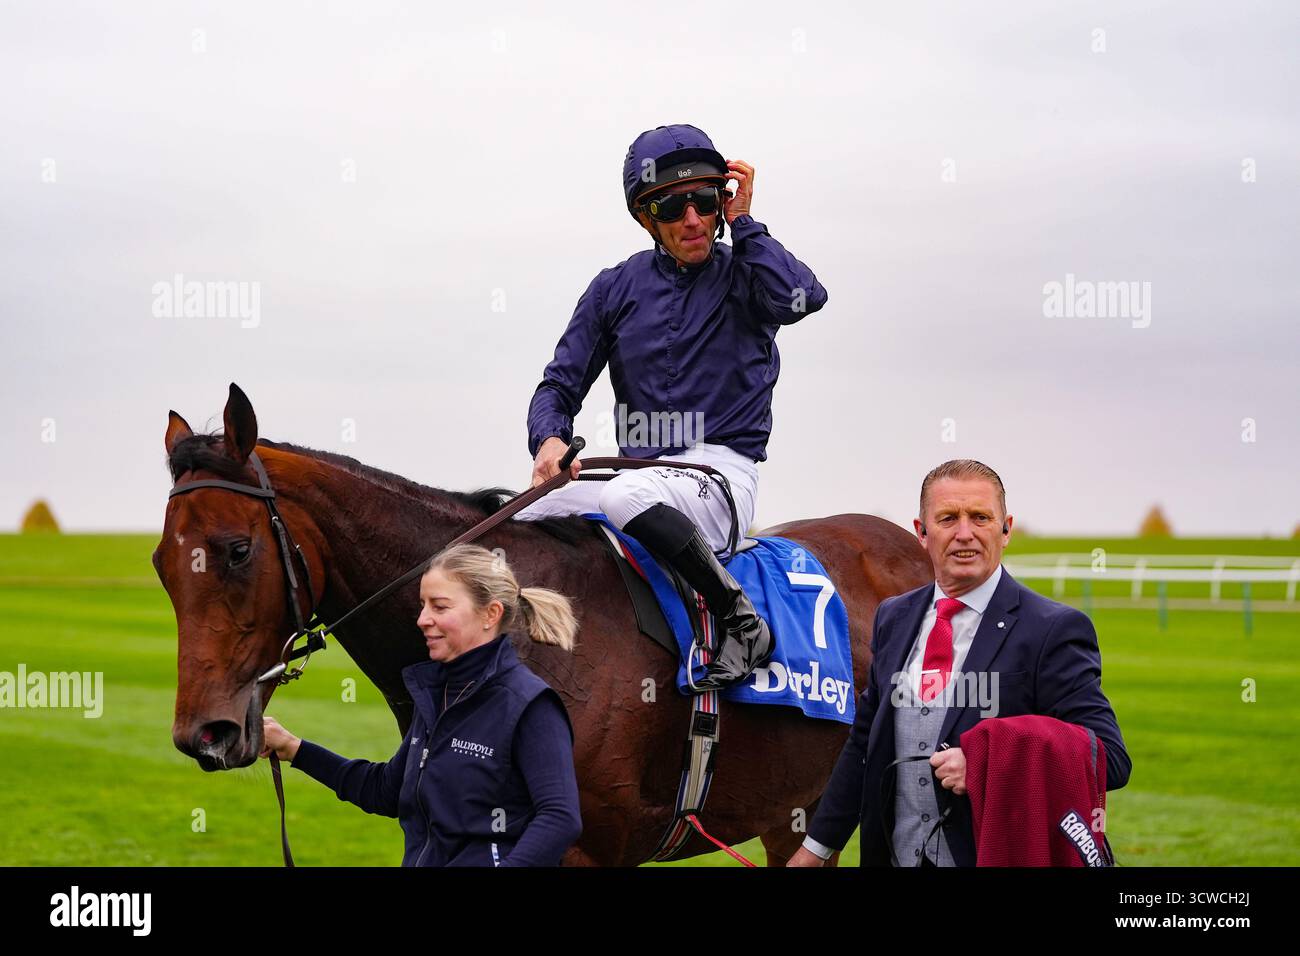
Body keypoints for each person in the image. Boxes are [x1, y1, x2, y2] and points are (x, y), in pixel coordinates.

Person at [515, 123, 829, 690]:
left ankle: (741, 619)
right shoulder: (613, 288)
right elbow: (557, 387)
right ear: (645, 217)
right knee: (521, 515)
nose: (693, 219)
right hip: (641, 471)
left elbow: (803, 297)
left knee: (624, 494)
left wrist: (745, 225)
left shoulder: (750, 274)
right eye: (674, 206)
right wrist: (550, 440)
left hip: (720, 475)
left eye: (705, 202)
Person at [788, 460, 1131, 867]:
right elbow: (865, 743)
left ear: (1006, 530)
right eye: (948, 518)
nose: (964, 533)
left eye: (981, 517)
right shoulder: (893, 617)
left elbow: (1109, 759)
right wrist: (815, 849)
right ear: (922, 532)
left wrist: (989, 764)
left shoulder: (1053, 629)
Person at [260, 544, 583, 867]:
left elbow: (559, 817)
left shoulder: (530, 705)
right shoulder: (438, 694)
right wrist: (295, 749)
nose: (422, 619)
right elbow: (384, 790)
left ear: (490, 614)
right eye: (422, 605)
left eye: (439, 607)